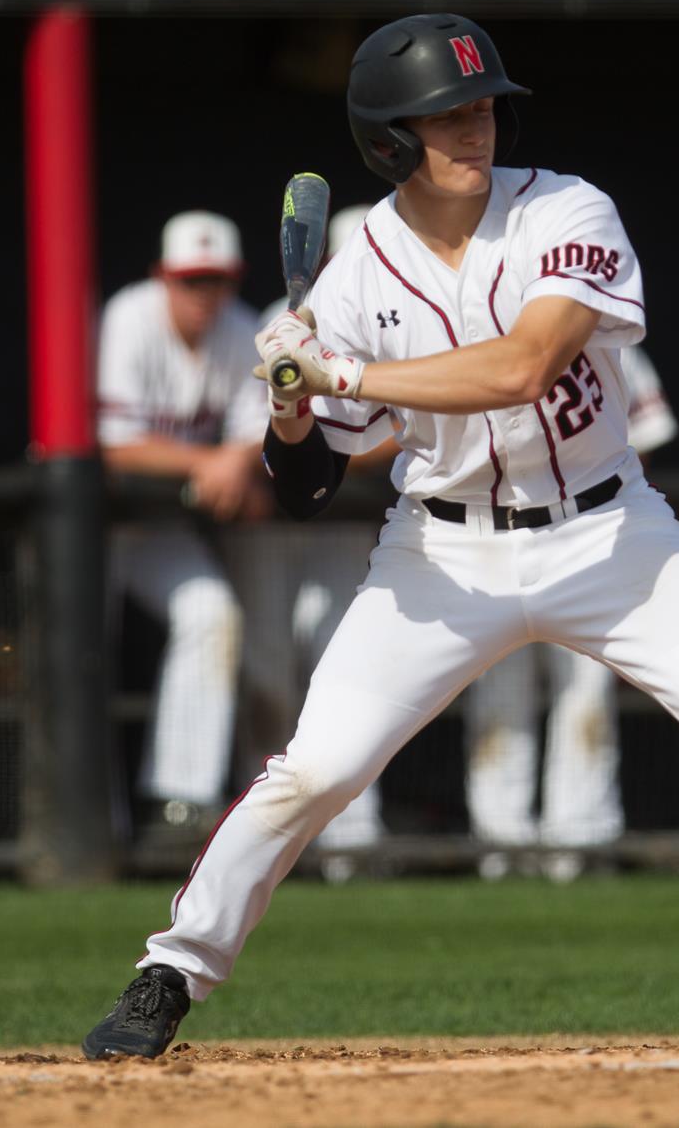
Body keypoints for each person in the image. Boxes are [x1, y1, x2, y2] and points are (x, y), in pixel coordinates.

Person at [82, 13, 679, 1059]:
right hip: (441, 553)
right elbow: (300, 484)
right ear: (389, 136)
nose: (474, 126)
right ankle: (170, 969)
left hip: (610, 534)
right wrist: (291, 403)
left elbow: (522, 364)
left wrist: (342, 374)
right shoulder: (351, 278)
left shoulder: (566, 208)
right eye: (445, 114)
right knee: (317, 768)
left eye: (481, 104)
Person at [465, 342, 677, 881]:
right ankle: (503, 846)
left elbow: (644, 441)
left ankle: (578, 843)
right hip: (493, 535)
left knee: (586, 687)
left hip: (584, 535)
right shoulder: (474, 323)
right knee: (499, 691)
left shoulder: (604, 330)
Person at [99, 212, 270, 833]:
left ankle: (181, 801)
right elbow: (115, 445)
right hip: (92, 528)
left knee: (211, 613)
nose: (204, 294)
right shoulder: (130, 316)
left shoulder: (243, 329)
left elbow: (259, 433)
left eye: (215, 280)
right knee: (84, 653)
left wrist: (237, 460)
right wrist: (218, 461)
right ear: (163, 278)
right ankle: (96, 817)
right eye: (190, 280)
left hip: (160, 527)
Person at [238, 204, 392, 877]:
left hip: (351, 530)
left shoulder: (404, 318)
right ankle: (269, 838)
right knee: (270, 669)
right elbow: (255, 455)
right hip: (274, 527)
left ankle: (352, 840)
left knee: (346, 669)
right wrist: (287, 407)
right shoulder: (284, 319)